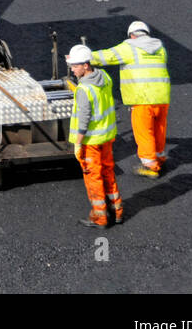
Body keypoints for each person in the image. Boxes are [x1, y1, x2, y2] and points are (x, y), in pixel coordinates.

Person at [90, 21, 169, 178]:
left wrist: (84, 57)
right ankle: (159, 157)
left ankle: (150, 166)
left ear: (132, 35)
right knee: (158, 128)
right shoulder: (160, 48)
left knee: (144, 132)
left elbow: (106, 56)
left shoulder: (129, 47)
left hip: (142, 98)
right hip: (161, 96)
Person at [66, 44, 123, 229]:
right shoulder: (105, 77)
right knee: (108, 172)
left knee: (93, 178)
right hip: (107, 137)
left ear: (85, 65)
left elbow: (83, 120)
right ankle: (117, 211)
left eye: (75, 66)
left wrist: (78, 144)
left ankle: (100, 218)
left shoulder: (83, 90)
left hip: (91, 142)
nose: (72, 70)